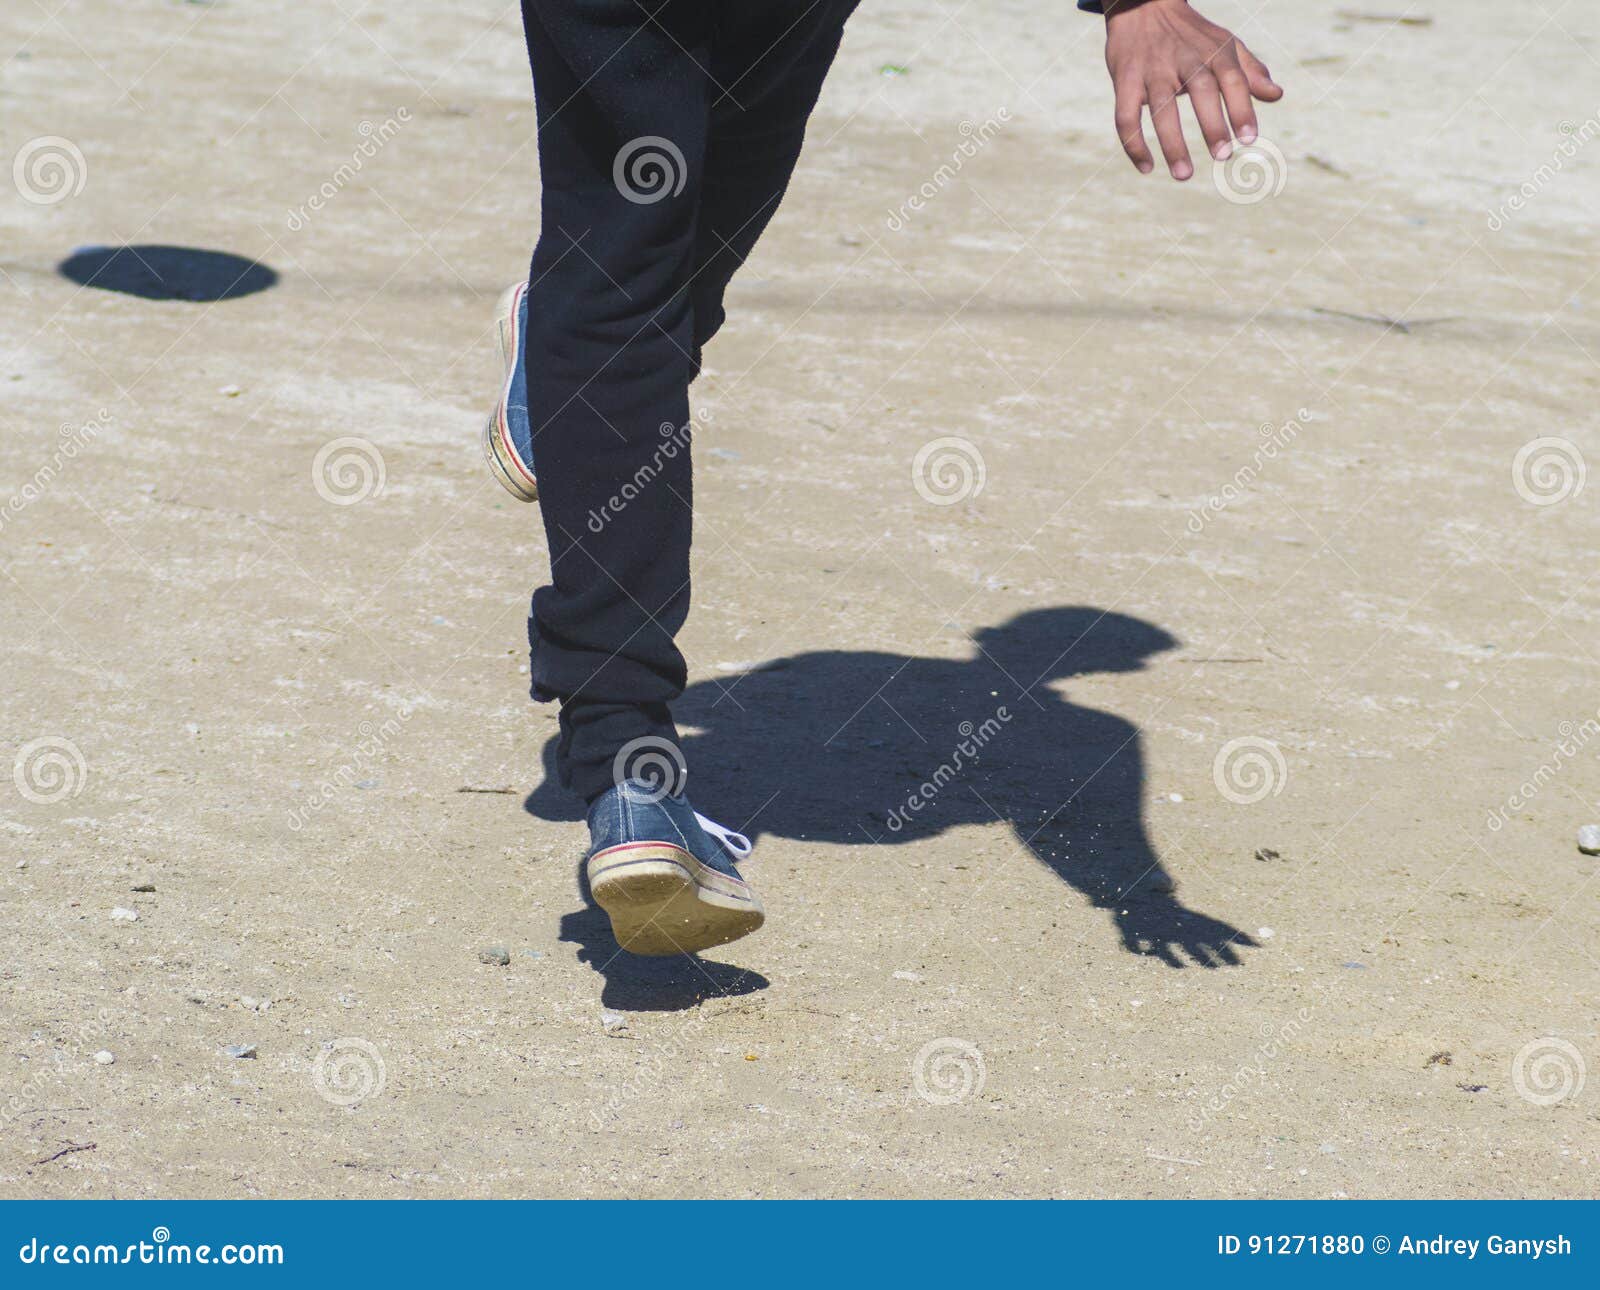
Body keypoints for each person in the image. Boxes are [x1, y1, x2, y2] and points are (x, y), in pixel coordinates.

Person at [485, 0, 1284, 957]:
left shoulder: (1080, 729)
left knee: (669, 266)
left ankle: (564, 354)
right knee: (626, 277)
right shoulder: (1072, 726)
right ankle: (629, 777)